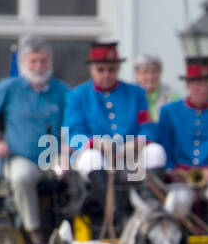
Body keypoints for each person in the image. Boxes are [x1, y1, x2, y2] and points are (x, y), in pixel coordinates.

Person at [0, 36, 70, 244]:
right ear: (24, 63)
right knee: (20, 176)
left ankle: (71, 231)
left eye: (43, 61)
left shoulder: (62, 91)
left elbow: (73, 123)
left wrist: (66, 152)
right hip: (22, 157)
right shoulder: (9, 87)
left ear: (50, 62)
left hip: (54, 156)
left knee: (75, 175)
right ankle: (35, 235)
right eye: (33, 61)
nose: (38, 66)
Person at [63, 41, 165, 176]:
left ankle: (147, 196)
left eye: (111, 69)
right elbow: (72, 133)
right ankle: (103, 197)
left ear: (118, 68)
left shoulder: (136, 93)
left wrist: (138, 142)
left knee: (155, 151)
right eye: (100, 70)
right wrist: (95, 143)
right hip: (98, 155)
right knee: (91, 158)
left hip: (131, 154)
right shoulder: (78, 96)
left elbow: (148, 127)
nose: (106, 74)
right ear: (91, 70)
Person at [155, 56, 208, 171]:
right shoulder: (169, 111)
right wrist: (172, 170)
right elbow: (165, 147)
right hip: (180, 174)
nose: (203, 89)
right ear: (187, 85)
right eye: (198, 84)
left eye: (207, 84)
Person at [134, 54, 180, 123]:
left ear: (160, 73)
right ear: (136, 74)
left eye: (154, 71)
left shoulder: (172, 95)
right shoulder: (128, 95)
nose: (150, 77)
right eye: (145, 72)